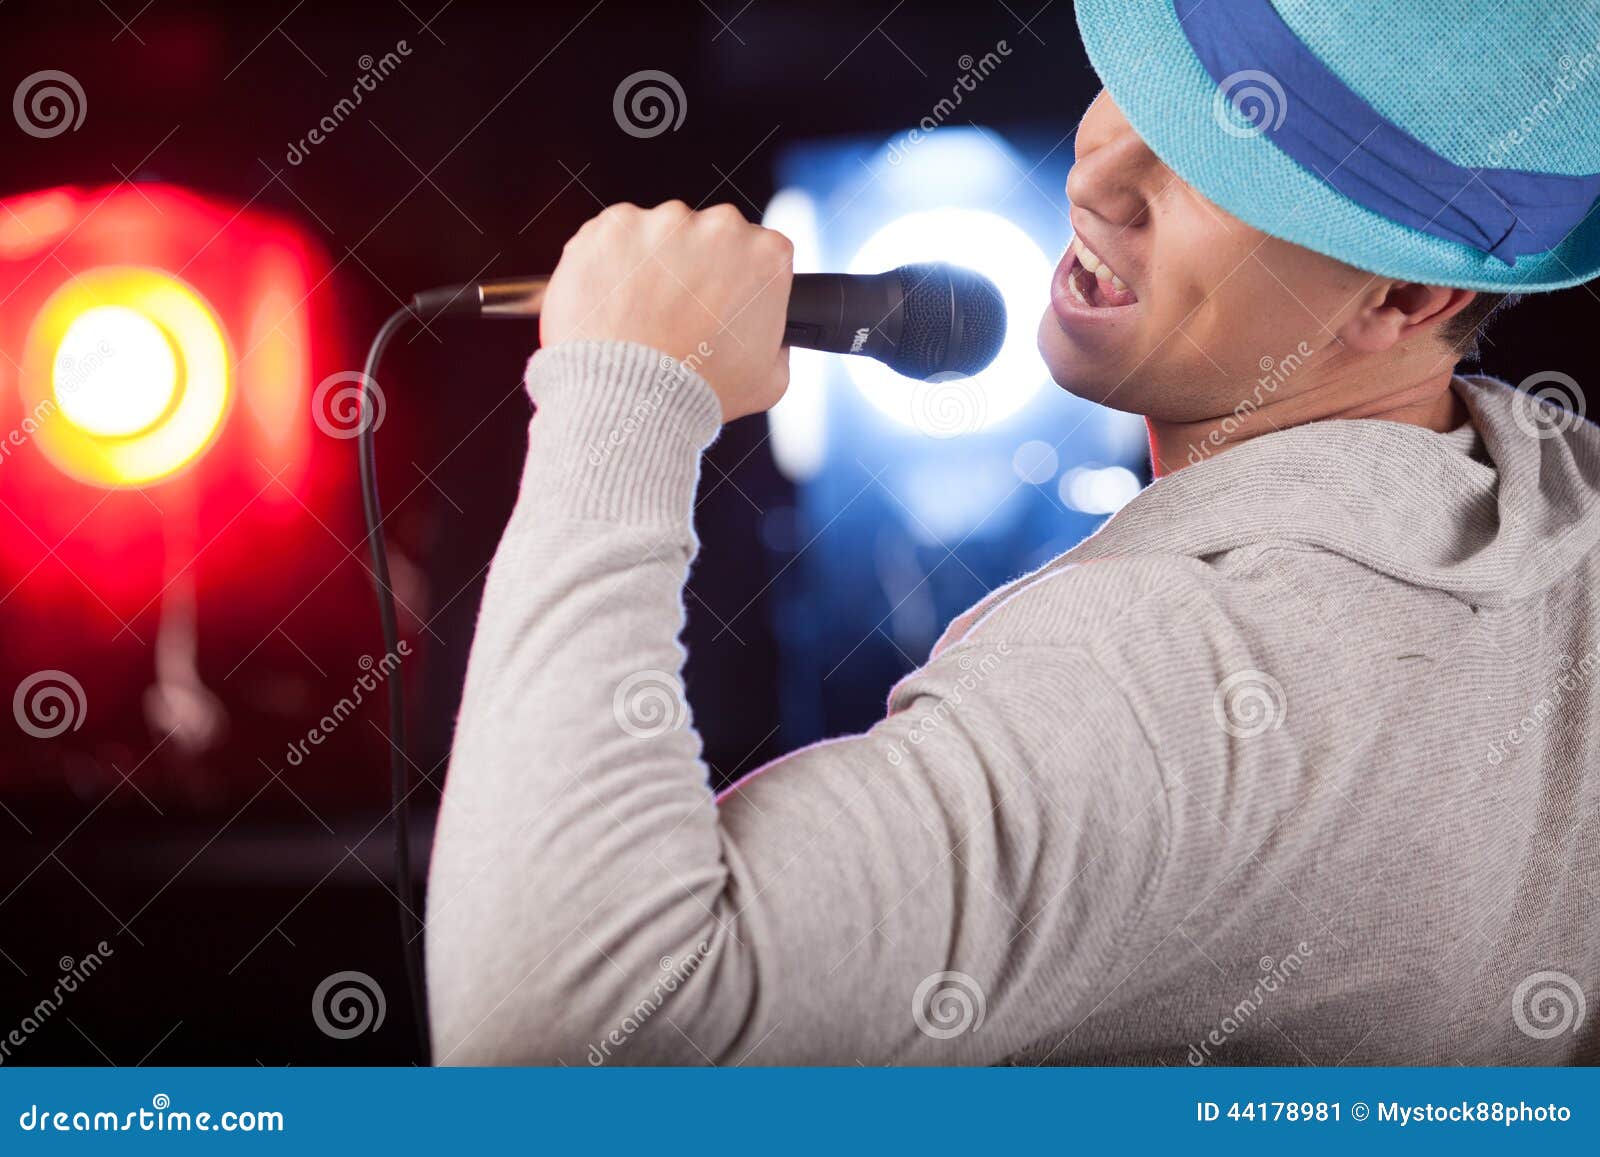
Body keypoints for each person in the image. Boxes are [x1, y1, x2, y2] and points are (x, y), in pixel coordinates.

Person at [426, 0, 1600, 1064]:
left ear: (1401, 298)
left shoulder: (1174, 677)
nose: (1100, 177)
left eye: (1219, 157)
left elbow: (557, 1035)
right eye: (1143, 85)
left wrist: (626, 391)